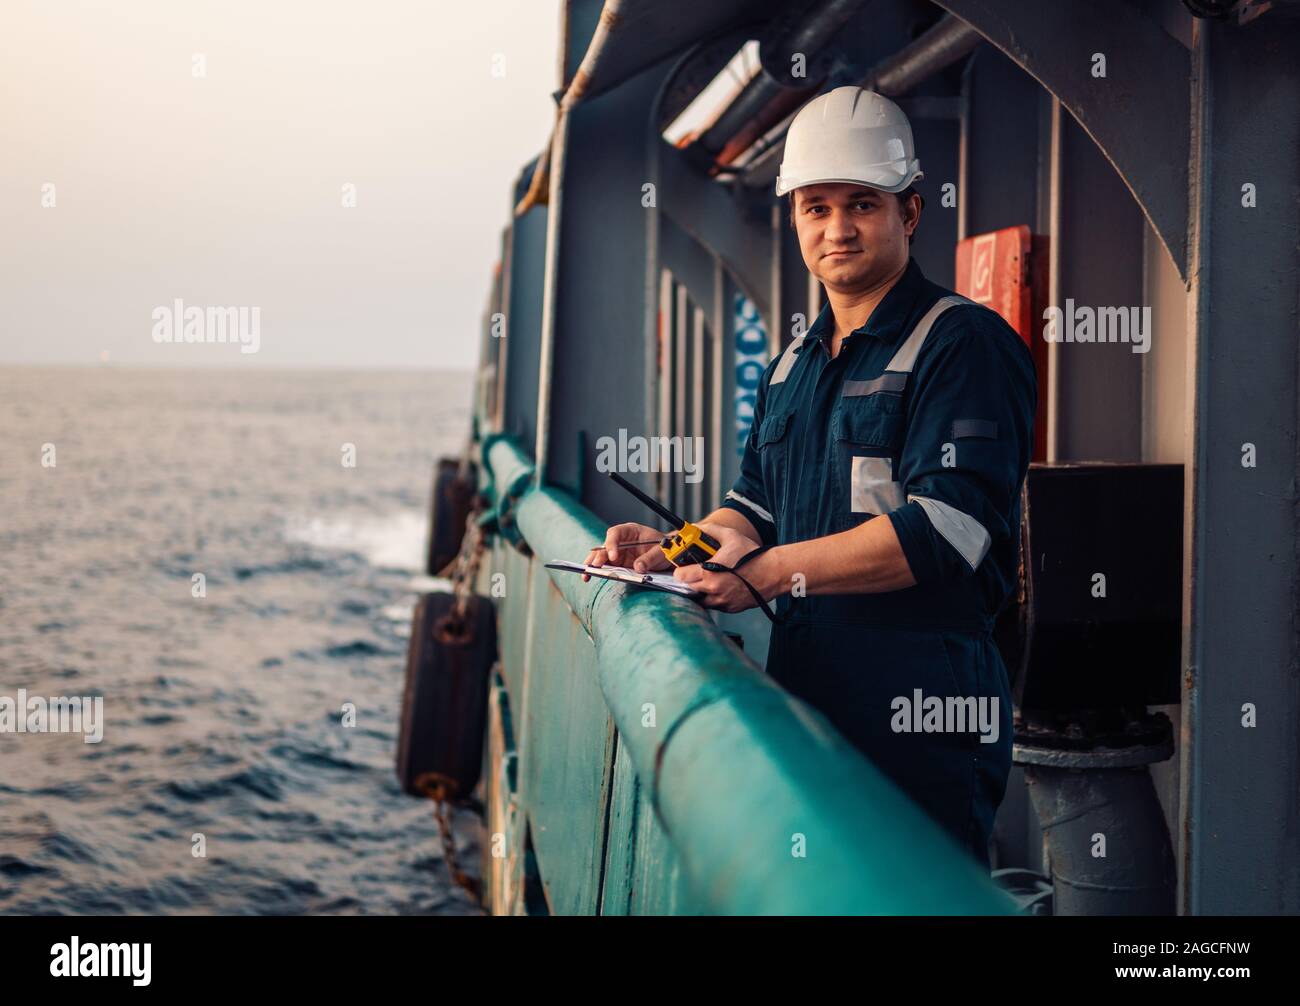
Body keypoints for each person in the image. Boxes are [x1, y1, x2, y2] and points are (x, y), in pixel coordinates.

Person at [586, 86, 1036, 869]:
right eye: (815, 206)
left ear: (911, 212)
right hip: (811, 695)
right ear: (794, 215)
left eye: (862, 203)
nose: (837, 228)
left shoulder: (962, 346)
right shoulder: (795, 362)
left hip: (925, 709)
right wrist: (674, 549)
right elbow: (752, 509)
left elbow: (947, 531)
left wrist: (768, 575)